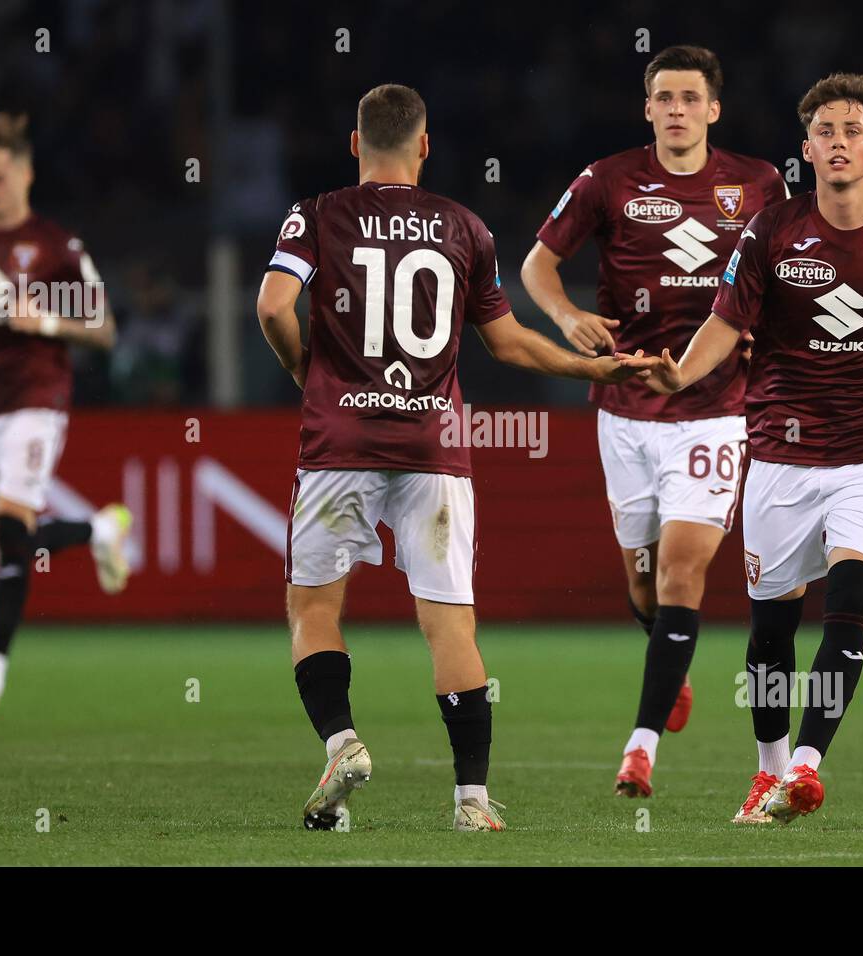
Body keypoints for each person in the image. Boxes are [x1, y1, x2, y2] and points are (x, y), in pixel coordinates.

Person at [257, 84, 642, 832]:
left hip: (339, 444)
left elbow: (273, 305)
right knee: (451, 625)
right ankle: (471, 800)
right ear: (425, 145)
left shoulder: (318, 213)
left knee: (312, 608)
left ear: (355, 143)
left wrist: (306, 371)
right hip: (434, 447)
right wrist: (590, 367)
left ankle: (342, 743)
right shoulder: (463, 226)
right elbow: (506, 341)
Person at [620, 73, 863, 823]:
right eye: (824, 131)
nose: (838, 142)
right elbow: (724, 321)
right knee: (771, 630)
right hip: (781, 460)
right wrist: (679, 375)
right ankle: (769, 770)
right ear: (805, 149)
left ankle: (808, 768)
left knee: (851, 600)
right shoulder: (772, 230)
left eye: (852, 130)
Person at [521, 45, 788, 797]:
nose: (676, 110)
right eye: (663, 98)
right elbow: (536, 264)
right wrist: (568, 314)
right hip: (625, 408)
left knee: (680, 570)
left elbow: (782, 274)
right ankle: (669, 663)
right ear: (648, 109)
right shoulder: (607, 179)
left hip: (716, 411)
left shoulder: (758, 183)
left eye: (689, 98)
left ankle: (639, 749)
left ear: (713, 109)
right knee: (641, 581)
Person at [0, 112, 132, 715]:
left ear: (26, 173)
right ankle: (100, 529)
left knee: (12, 534)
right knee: (13, 538)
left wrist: (41, 320)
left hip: (37, 401)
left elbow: (106, 330)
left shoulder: (58, 248)